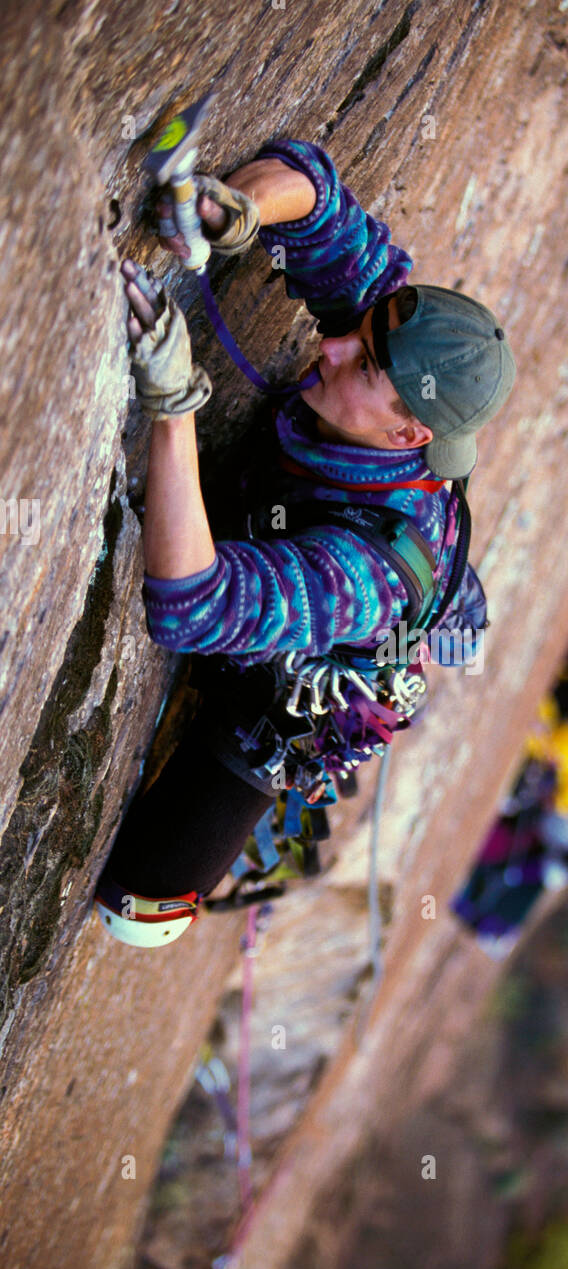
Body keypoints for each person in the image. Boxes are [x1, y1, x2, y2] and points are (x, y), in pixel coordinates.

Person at [93, 138, 516, 947]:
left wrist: (174, 407)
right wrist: (233, 208)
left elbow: (191, 608)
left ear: (409, 433)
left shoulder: (369, 577)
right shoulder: (389, 338)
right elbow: (315, 191)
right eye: (357, 332)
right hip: (313, 543)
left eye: (362, 367)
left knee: (140, 913)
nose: (330, 346)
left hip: (294, 686)